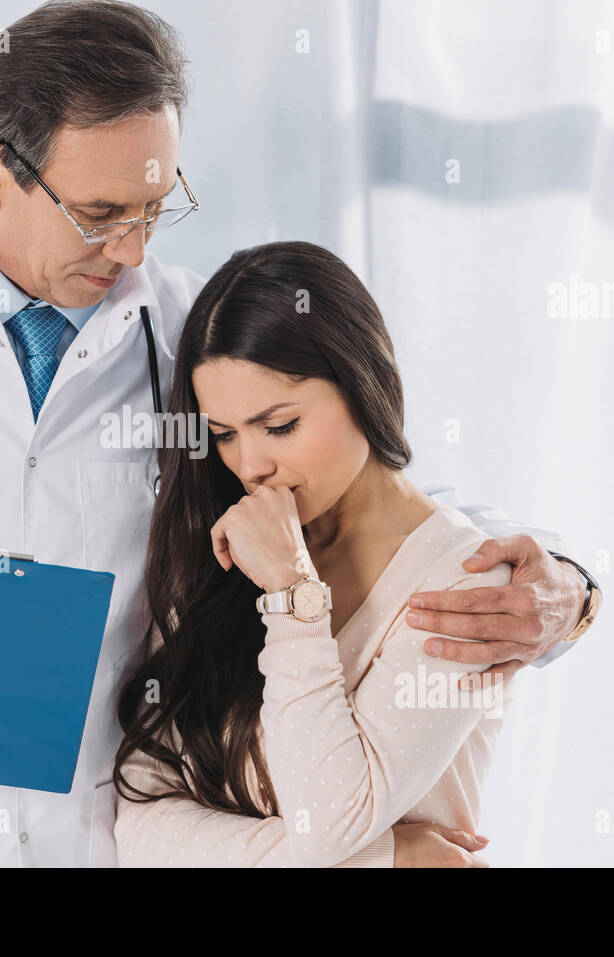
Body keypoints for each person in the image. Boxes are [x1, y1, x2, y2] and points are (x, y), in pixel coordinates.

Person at [0, 0, 599, 868]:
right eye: (99, 216)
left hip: (110, 837)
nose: (133, 250)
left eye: (154, 208)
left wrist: (555, 579)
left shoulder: (185, 329)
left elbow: (352, 491)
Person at [114, 241, 533, 866]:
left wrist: (292, 596)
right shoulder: (226, 553)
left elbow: (330, 823)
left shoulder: (465, 583)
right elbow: (141, 826)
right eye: (224, 435)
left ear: (363, 384)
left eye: (279, 426)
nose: (251, 466)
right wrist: (384, 860)